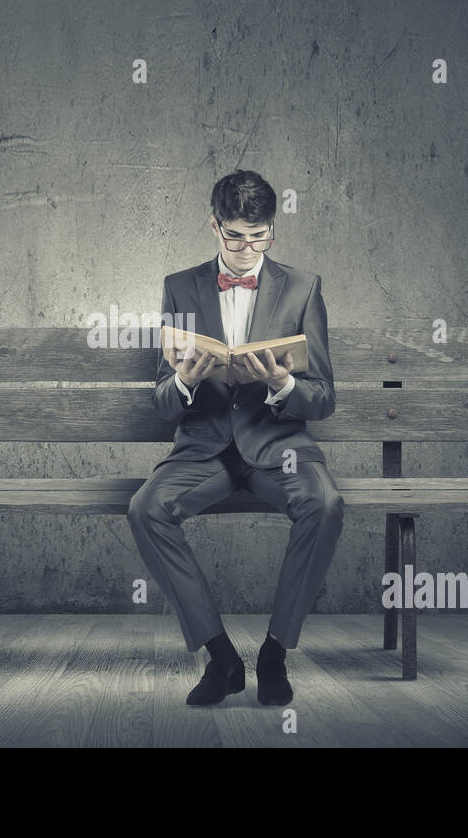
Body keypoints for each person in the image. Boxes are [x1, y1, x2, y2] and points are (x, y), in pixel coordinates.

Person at [128, 169, 345, 707]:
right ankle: (220, 656)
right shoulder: (181, 286)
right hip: (205, 450)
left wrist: (283, 384)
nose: (248, 249)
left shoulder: (303, 287)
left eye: (260, 235)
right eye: (235, 236)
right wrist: (184, 379)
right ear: (214, 225)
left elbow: (323, 397)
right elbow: (160, 403)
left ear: (271, 228)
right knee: (146, 508)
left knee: (326, 502)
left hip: (278, 450)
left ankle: (275, 651)